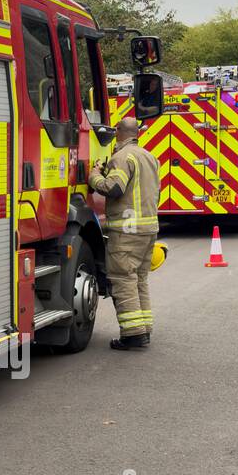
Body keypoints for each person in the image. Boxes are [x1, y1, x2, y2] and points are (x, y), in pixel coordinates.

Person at [89, 116, 161, 350]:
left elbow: (114, 188)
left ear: (118, 131)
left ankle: (133, 334)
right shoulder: (149, 157)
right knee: (139, 280)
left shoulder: (122, 157)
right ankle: (145, 329)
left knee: (123, 280)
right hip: (148, 230)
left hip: (127, 232)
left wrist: (94, 177)